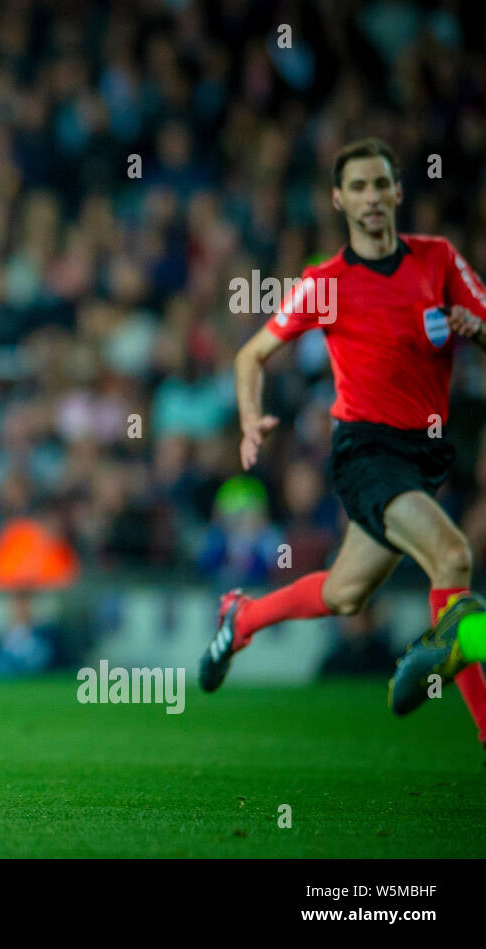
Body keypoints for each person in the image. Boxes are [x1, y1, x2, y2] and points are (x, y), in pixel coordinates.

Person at [198, 138, 486, 754]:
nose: (372, 197)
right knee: (454, 558)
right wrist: (251, 420)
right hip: (366, 452)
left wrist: (476, 329)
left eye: (381, 184)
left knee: (345, 594)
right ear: (338, 199)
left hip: (425, 454)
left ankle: (241, 618)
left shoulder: (438, 261)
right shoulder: (325, 282)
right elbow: (252, 353)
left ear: (398, 191)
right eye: (358, 187)